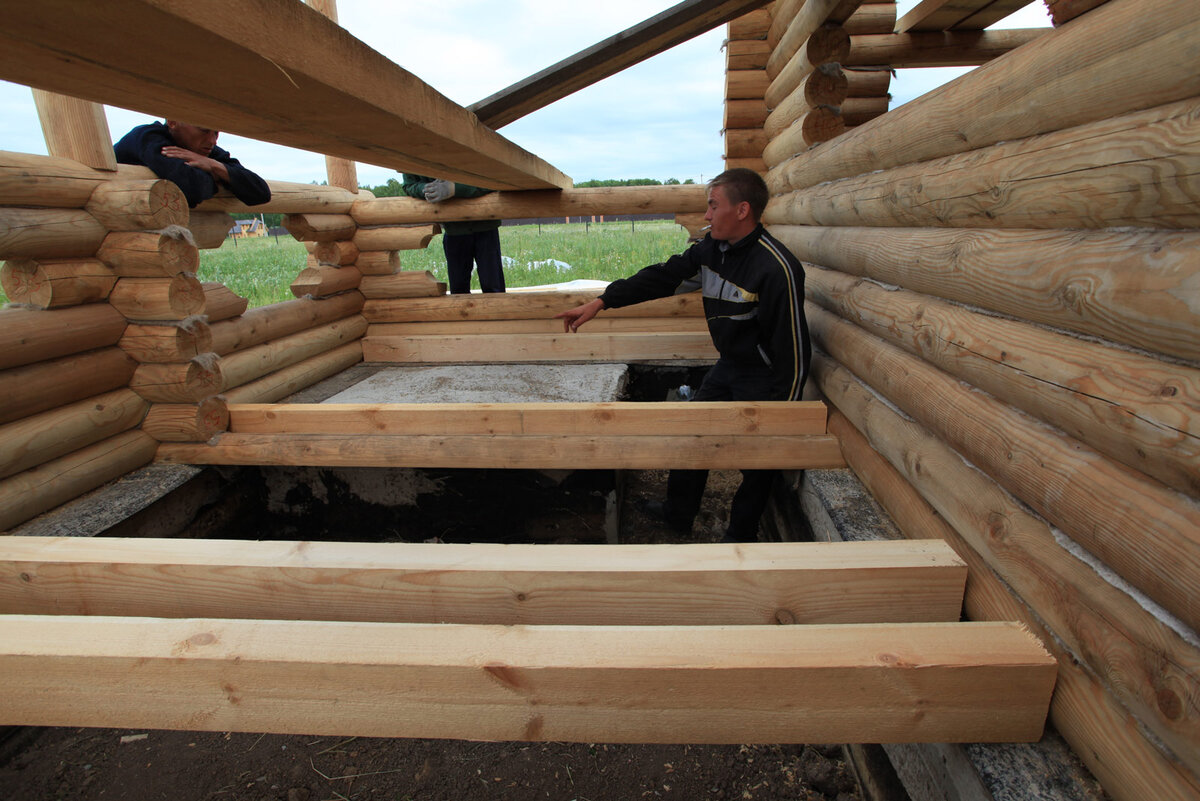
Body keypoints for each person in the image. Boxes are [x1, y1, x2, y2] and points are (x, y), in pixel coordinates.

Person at [555, 168, 810, 543]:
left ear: (742, 210)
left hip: (765, 376)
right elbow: (661, 276)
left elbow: (794, 352)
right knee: (693, 434)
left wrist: (784, 413)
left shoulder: (777, 268)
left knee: (759, 463)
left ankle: (740, 536)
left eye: (712, 206)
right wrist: (602, 301)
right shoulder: (712, 251)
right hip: (730, 366)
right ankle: (677, 514)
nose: (706, 215)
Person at [114, 120, 271, 208]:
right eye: (203, 130)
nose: (212, 141)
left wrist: (215, 166)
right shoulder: (148, 138)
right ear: (173, 121)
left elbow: (261, 193)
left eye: (216, 133)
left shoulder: (207, 153)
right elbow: (192, 188)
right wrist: (221, 179)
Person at [402, 174, 505, 294]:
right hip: (454, 230)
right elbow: (409, 185)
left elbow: (492, 181)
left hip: (485, 227)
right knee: (458, 287)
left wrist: (455, 188)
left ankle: (497, 312)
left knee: (493, 285)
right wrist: (427, 189)